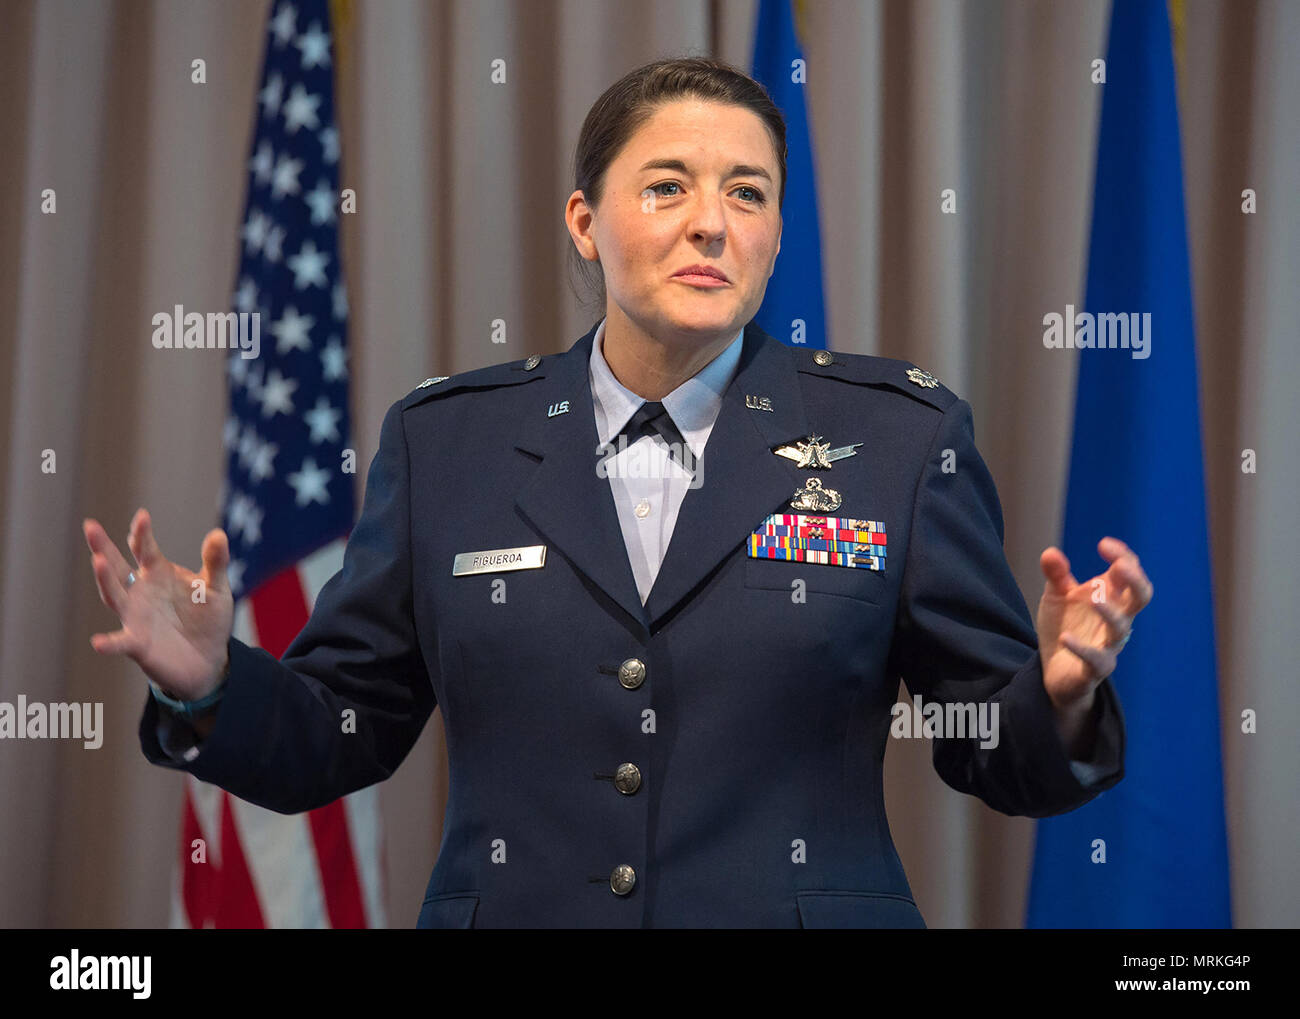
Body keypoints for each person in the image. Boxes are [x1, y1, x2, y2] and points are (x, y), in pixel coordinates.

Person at [83, 57, 1152, 928]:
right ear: (585, 221)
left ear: (776, 235)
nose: (711, 222)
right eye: (667, 185)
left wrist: (1055, 690)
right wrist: (210, 681)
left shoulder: (894, 440)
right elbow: (338, 732)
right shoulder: (449, 443)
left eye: (748, 192)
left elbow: (988, 746)